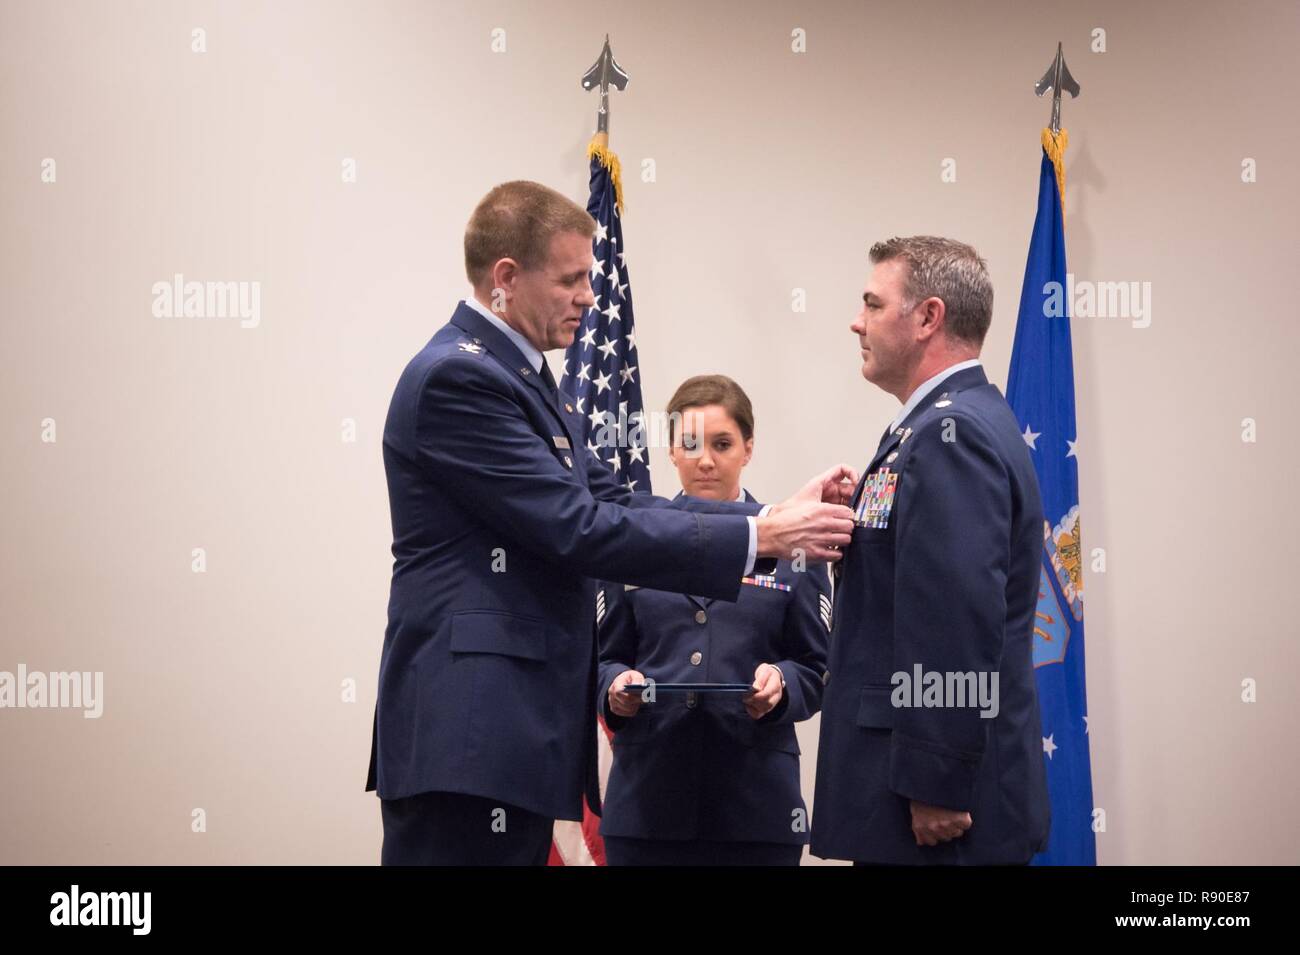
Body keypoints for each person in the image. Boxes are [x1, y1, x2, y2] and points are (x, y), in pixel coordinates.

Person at [366, 180, 856, 865]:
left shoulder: (527, 381)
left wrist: (770, 516)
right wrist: (758, 538)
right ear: (505, 279)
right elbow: (579, 527)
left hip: (510, 738)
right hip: (471, 736)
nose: (589, 298)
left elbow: (621, 503)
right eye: (570, 280)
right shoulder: (460, 379)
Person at [811, 236, 1051, 865]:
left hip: (936, 812)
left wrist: (936, 781)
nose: (856, 322)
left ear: (927, 318)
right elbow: (914, 581)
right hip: (921, 796)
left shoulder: (952, 434)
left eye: (872, 304)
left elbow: (954, 615)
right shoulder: (944, 423)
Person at [597, 375, 831, 866]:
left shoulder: (792, 543)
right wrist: (616, 685)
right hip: (647, 807)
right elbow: (603, 657)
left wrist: (782, 683)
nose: (705, 459)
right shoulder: (634, 539)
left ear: (748, 448)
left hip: (756, 809)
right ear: (671, 452)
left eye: (722, 444)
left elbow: (818, 666)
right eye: (690, 443)